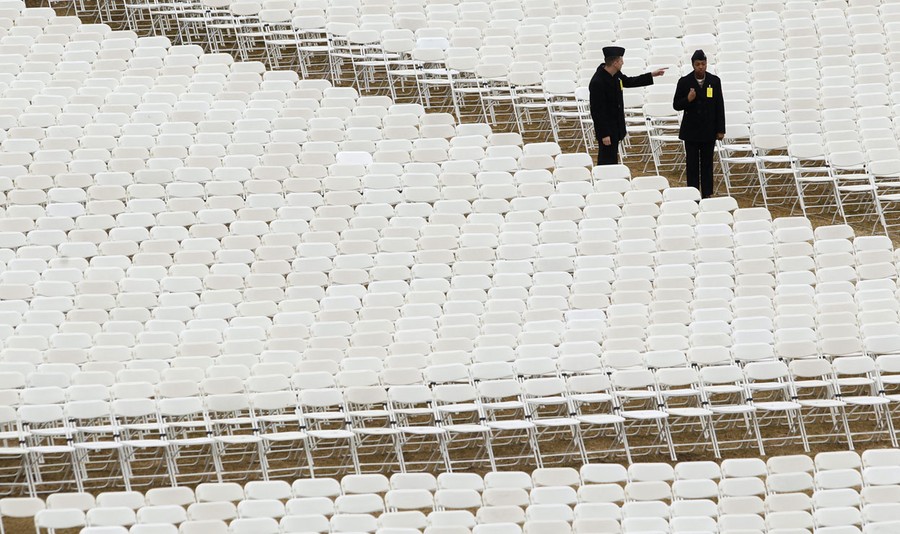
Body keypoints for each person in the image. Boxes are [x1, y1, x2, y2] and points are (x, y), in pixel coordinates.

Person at [589, 46, 667, 165]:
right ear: (615, 62)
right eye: (621, 60)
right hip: (607, 129)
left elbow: (629, 81)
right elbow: (597, 112)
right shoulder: (598, 82)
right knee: (606, 160)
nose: (622, 62)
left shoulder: (616, 74)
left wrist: (651, 75)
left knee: (612, 159)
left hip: (616, 126)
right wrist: (604, 134)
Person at [673, 49, 726, 199]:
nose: (701, 67)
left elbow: (719, 106)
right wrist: (688, 99)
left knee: (707, 165)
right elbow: (676, 105)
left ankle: (707, 194)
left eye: (703, 64)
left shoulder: (714, 81)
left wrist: (720, 129)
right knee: (692, 165)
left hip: (709, 131)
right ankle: (693, 194)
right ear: (693, 65)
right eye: (698, 64)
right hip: (691, 131)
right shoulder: (684, 82)